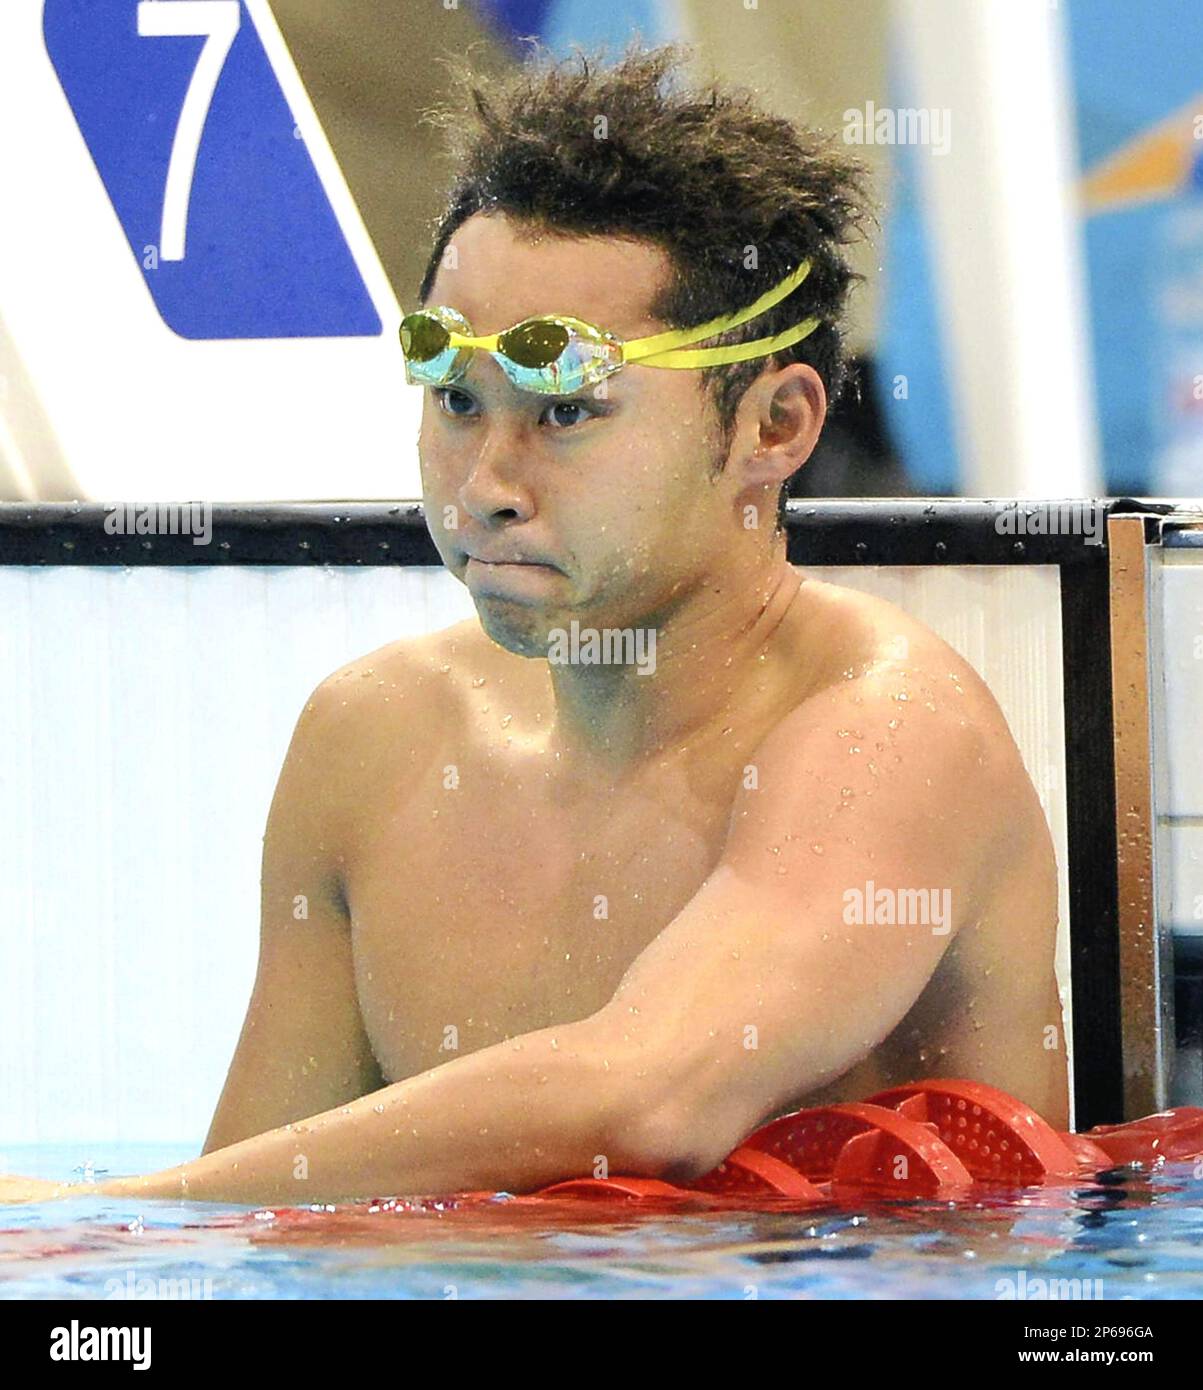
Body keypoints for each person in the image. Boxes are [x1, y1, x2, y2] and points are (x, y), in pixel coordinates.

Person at [6, 43, 1068, 1207]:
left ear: (774, 425)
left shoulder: (889, 732)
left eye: (564, 413)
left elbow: (649, 1102)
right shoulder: (376, 741)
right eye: (458, 402)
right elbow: (252, 1223)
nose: (486, 485)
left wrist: (92, 1219)